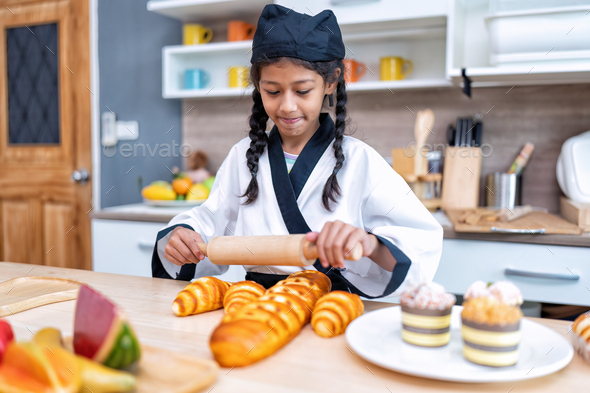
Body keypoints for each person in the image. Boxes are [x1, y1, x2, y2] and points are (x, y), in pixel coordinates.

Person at [151, 4, 443, 298]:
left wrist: (370, 243)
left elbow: (418, 241)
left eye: (302, 91)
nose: (287, 106)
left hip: (331, 309)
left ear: (330, 82)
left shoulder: (360, 161)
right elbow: (207, 222)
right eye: (273, 92)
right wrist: (180, 237)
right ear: (258, 86)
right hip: (253, 304)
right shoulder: (243, 157)